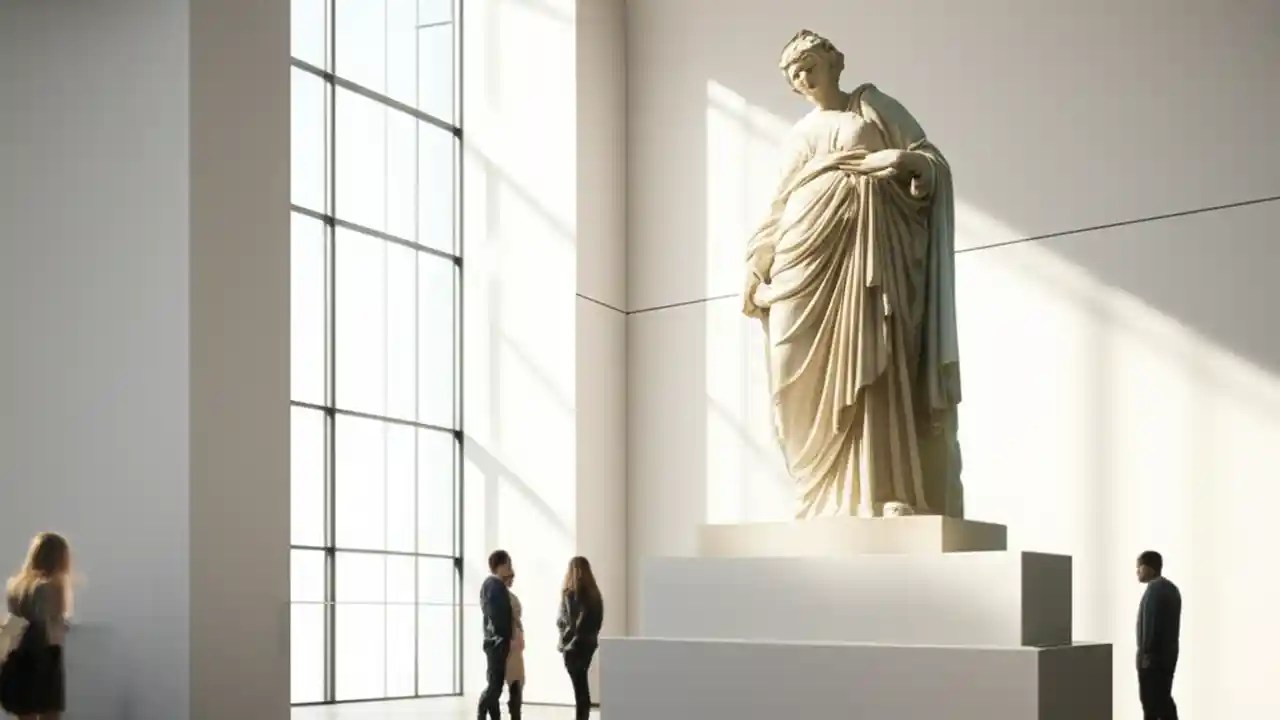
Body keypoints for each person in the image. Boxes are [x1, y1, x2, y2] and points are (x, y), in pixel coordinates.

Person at [741, 29, 963, 519]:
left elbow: (933, 162)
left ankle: (881, 490)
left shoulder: (872, 106)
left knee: (872, 363)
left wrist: (902, 159)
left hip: (869, 256)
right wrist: (757, 266)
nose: (801, 76)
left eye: (808, 64)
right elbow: (778, 207)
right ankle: (817, 494)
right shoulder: (798, 135)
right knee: (792, 366)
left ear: (834, 63)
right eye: (793, 72)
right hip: (802, 254)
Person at [1, 532, 73, 720]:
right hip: (44, 657)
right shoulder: (54, 585)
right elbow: (53, 625)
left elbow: (14, 622)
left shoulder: (16, 586)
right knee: (50, 714)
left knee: (25, 715)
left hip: (17, 657)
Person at [1135, 550, 1181, 720]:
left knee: (1151, 706)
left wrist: (1144, 659)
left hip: (1152, 661)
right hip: (1167, 658)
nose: (1137, 571)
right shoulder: (1171, 589)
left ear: (1151, 568)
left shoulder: (1155, 589)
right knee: (1164, 701)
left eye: (1140, 567)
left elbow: (1150, 628)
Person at [557, 556, 603, 720]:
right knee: (581, 685)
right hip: (587, 645)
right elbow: (597, 622)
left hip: (573, 647)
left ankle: (581, 717)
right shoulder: (595, 595)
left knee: (580, 687)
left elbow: (565, 622)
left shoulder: (570, 594)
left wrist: (565, 642)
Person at [477, 550, 514, 720]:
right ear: (499, 566)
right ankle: (482, 709)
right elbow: (497, 615)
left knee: (495, 683)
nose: (510, 568)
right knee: (495, 685)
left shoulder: (493, 585)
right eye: (508, 564)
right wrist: (503, 636)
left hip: (494, 641)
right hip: (496, 643)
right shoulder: (494, 585)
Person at [504, 565, 525, 720]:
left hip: (516, 642)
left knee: (518, 680)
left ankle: (515, 712)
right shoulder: (504, 597)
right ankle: (515, 713)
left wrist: (522, 636)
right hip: (510, 642)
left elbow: (518, 621)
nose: (512, 581)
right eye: (510, 578)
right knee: (514, 680)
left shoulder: (512, 597)